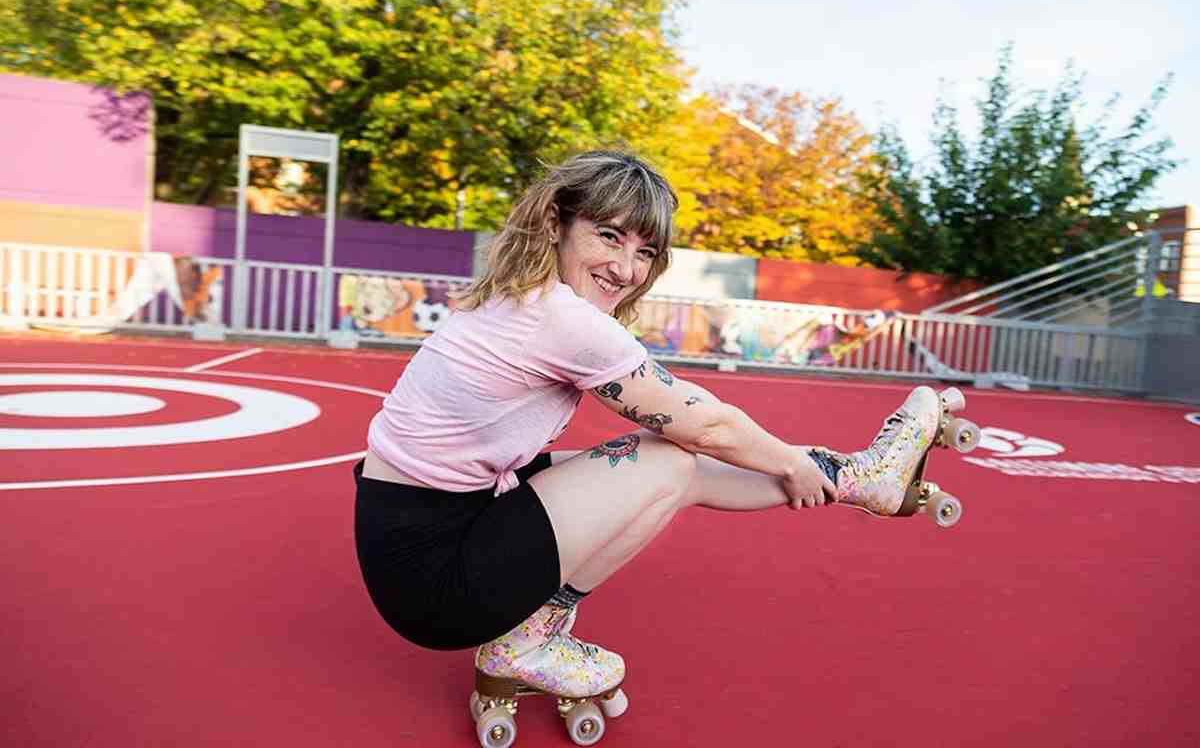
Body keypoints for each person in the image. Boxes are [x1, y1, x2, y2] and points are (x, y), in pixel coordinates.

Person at [353, 149, 943, 713]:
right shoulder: (559, 318)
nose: (626, 268)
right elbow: (707, 425)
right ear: (556, 224)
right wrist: (792, 464)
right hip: (435, 577)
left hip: (429, 524)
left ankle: (864, 478)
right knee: (668, 459)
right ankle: (527, 642)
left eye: (645, 251)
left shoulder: (525, 297)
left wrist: (809, 467)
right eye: (609, 236)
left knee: (674, 469)